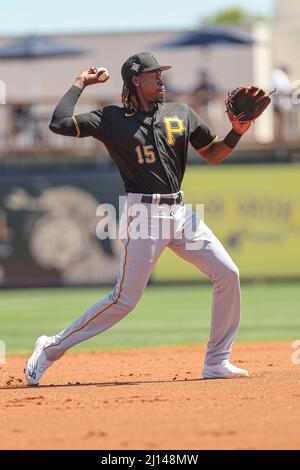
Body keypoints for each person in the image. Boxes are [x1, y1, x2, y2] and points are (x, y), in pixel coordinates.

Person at [24, 52, 253, 386]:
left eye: (161, 74)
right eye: (153, 74)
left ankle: (217, 361)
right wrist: (80, 83)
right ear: (135, 80)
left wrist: (237, 132)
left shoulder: (181, 112)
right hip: (143, 215)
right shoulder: (113, 119)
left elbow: (214, 154)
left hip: (180, 212)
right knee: (124, 300)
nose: (161, 79)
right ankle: (50, 348)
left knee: (228, 274)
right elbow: (59, 123)